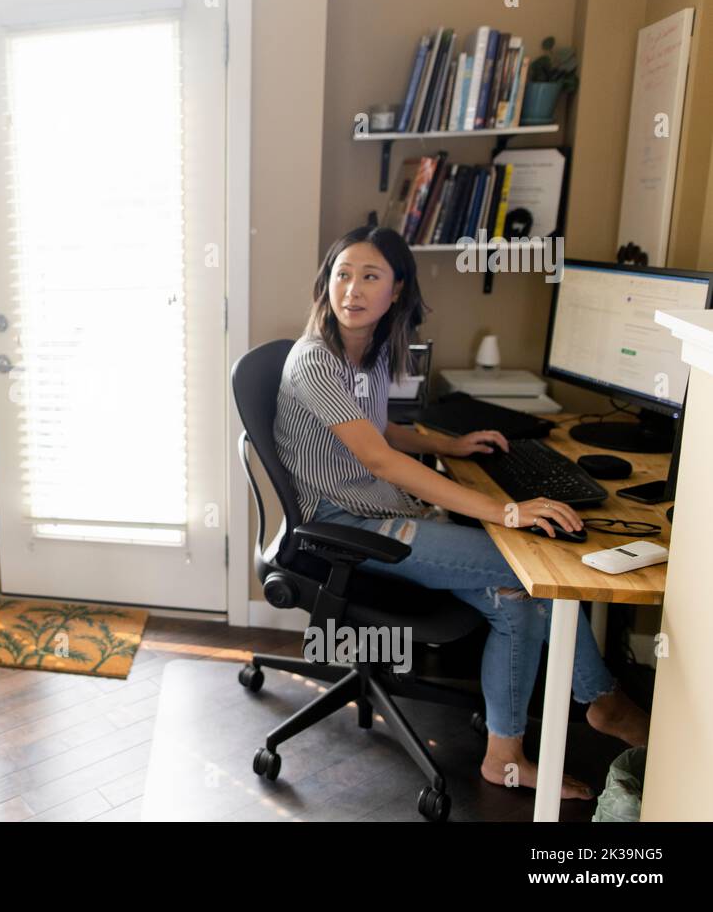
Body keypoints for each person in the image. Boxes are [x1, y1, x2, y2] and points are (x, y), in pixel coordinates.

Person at [272, 224, 650, 800]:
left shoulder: (366, 351)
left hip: (382, 508)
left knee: (516, 600)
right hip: (347, 528)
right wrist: (507, 510)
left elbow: (377, 429)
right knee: (531, 569)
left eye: (369, 276)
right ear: (326, 283)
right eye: (342, 274)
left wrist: (449, 445)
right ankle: (603, 702)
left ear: (396, 289)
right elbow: (381, 459)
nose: (351, 289)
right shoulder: (316, 360)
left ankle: (505, 757)